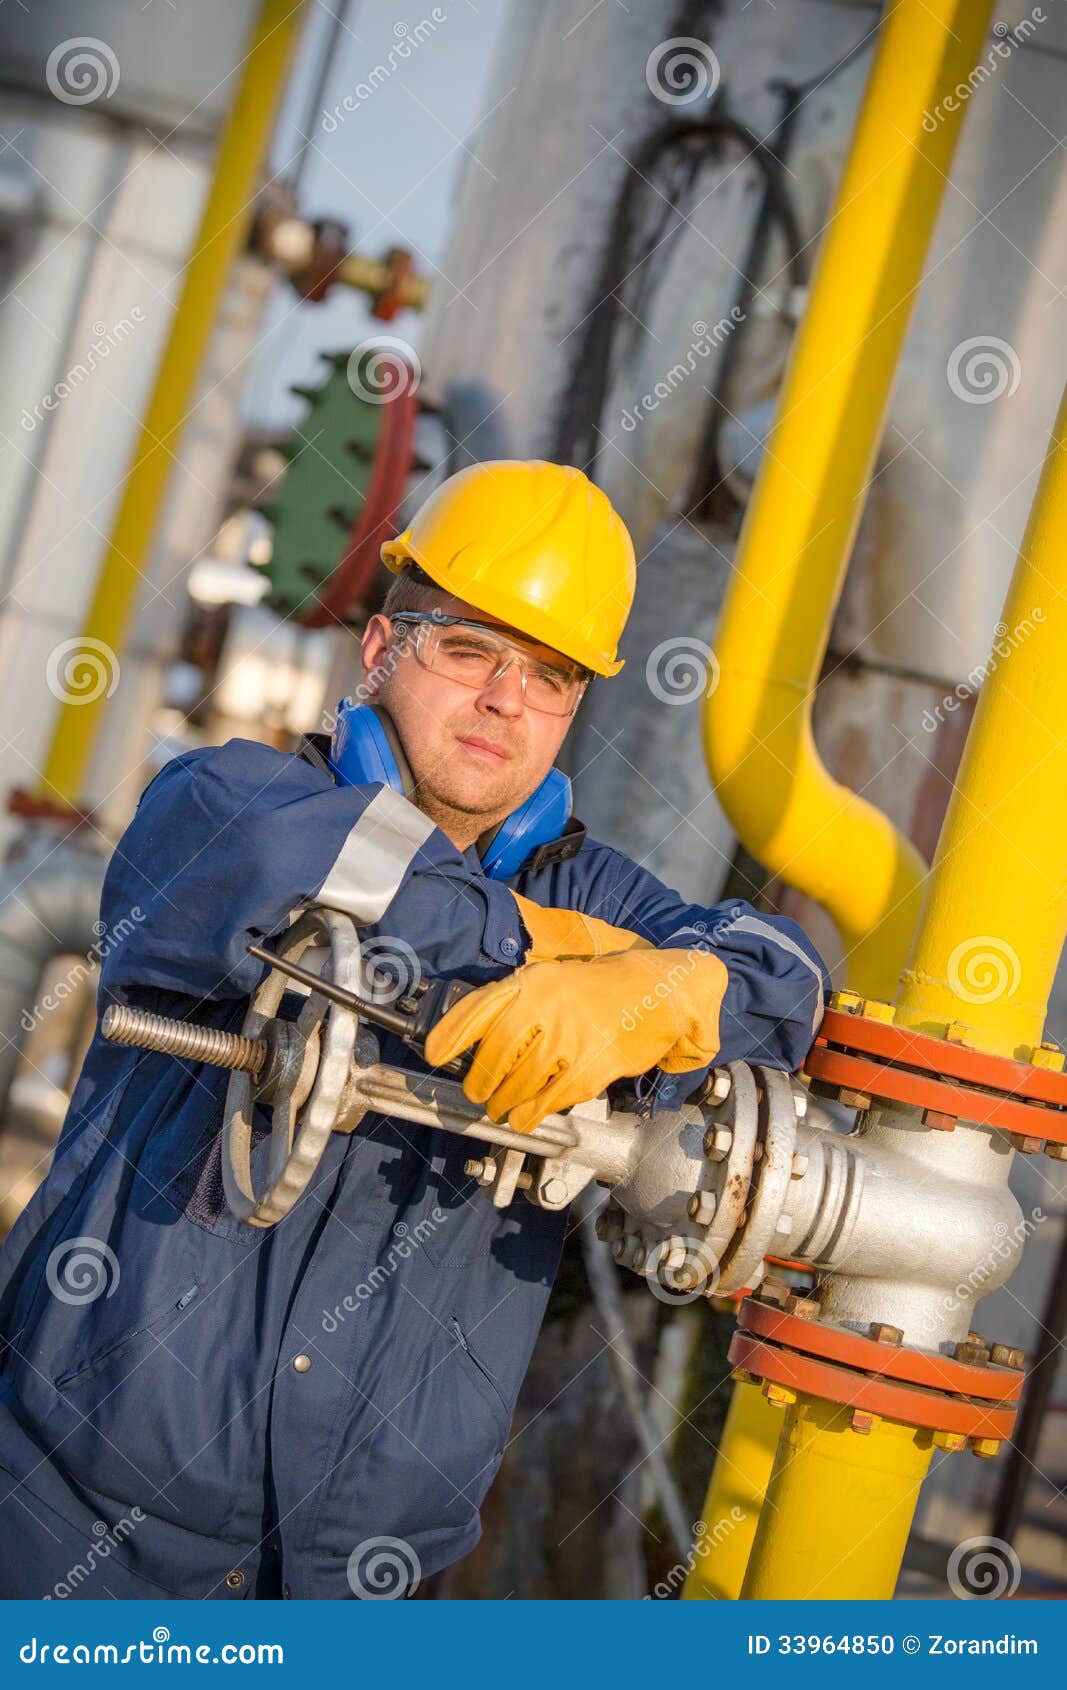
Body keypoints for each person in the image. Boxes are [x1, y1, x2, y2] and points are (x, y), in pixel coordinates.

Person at [0, 461, 828, 1600]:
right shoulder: (223, 801)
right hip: (76, 1529)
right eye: (468, 648)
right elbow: (325, 870)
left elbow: (787, 983)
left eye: (549, 673)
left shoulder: (616, 903)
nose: (505, 699)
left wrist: (668, 994)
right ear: (380, 646)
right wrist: (561, 949)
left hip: (366, 1582)